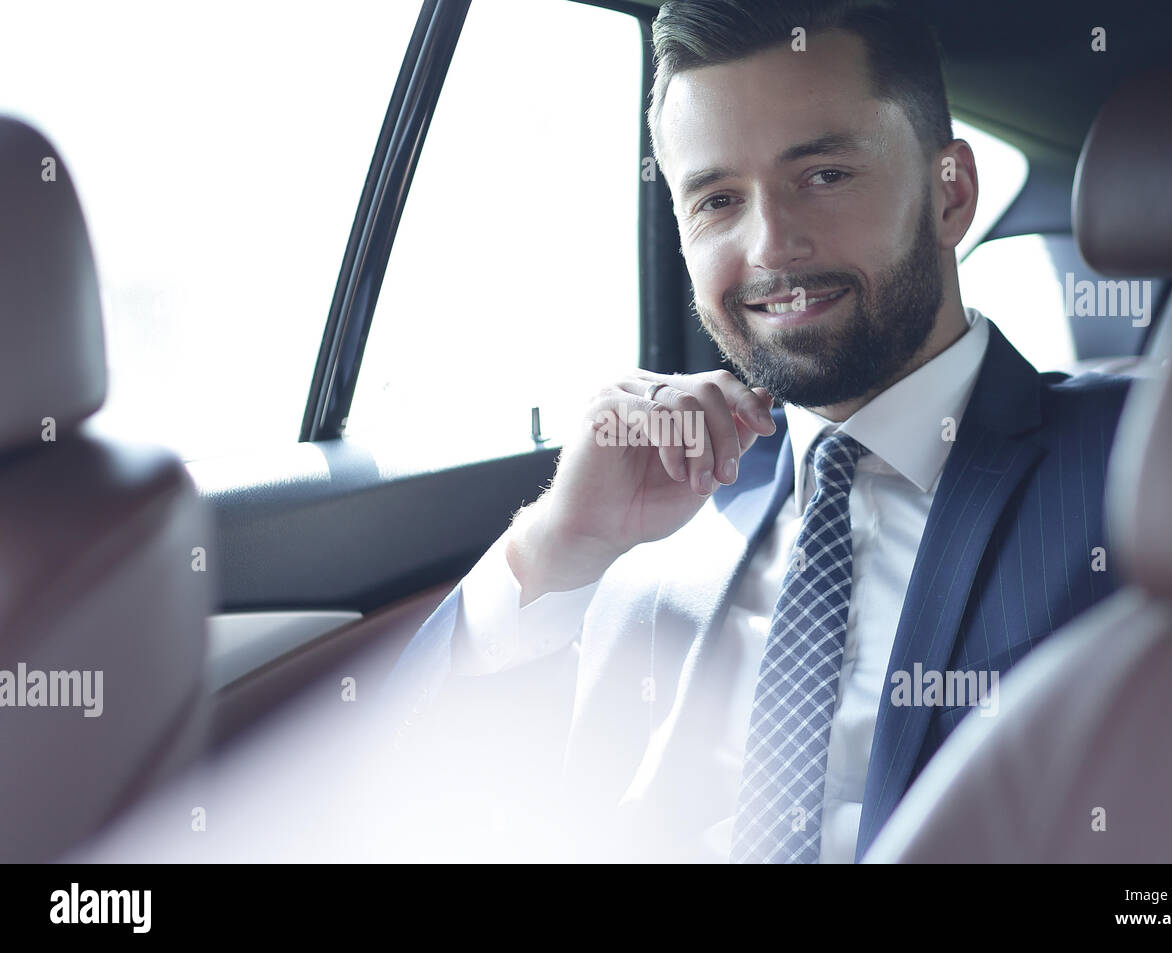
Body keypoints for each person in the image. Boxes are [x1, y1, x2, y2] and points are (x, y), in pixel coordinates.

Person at [384, 0, 1132, 864]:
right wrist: (559, 543)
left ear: (950, 192)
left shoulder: (1153, 470)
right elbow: (401, 797)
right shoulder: (672, 493)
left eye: (824, 175)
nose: (771, 246)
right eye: (718, 200)